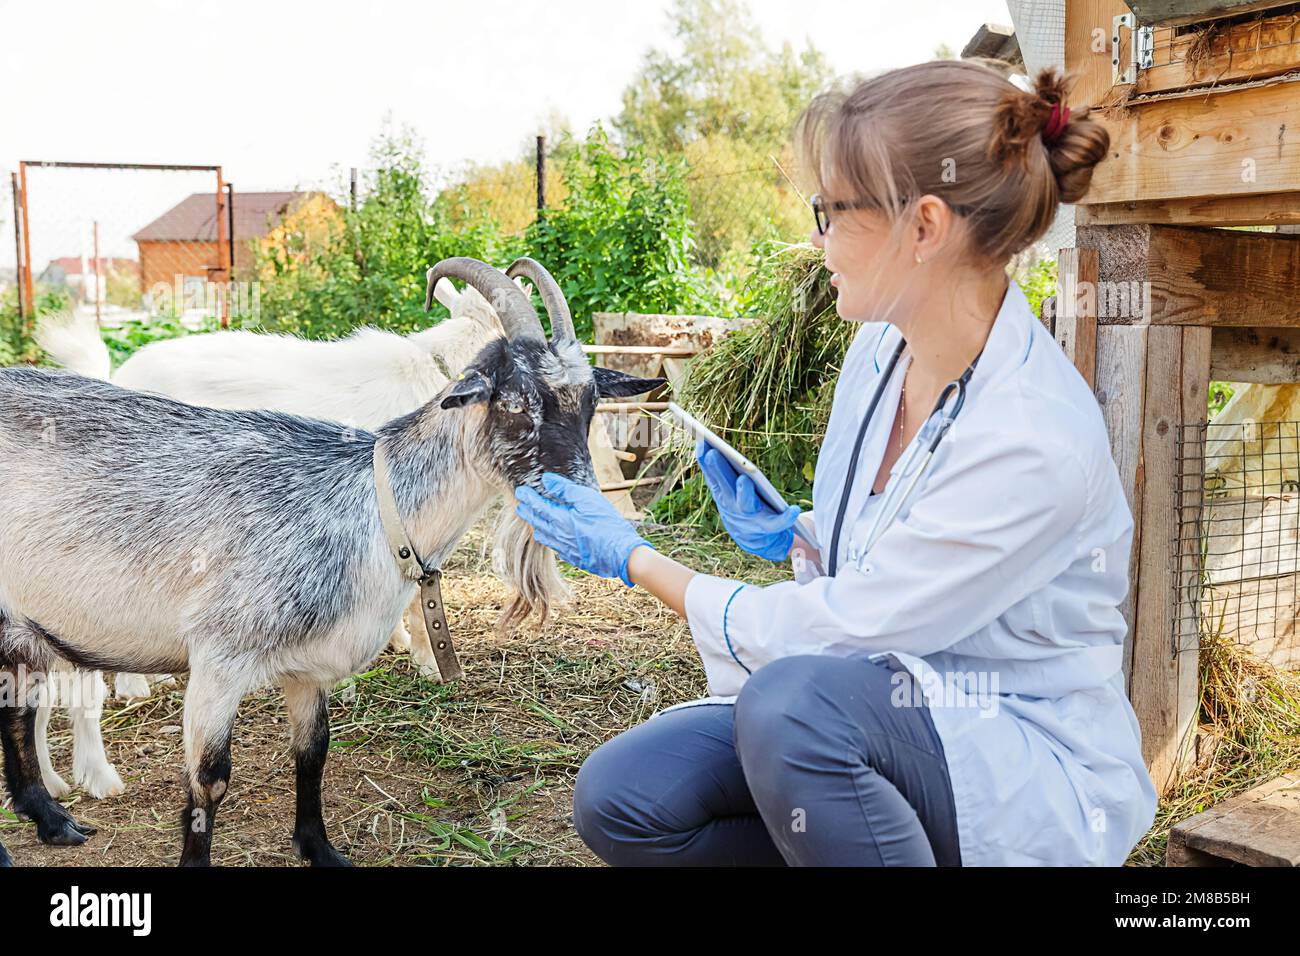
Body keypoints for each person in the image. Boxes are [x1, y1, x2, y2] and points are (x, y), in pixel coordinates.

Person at [512, 59, 1158, 867]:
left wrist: (635, 558)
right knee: (625, 795)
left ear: (923, 227)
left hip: (1014, 755)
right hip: (878, 712)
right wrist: (797, 537)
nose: (816, 239)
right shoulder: (881, 350)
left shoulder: (1033, 436)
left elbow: (849, 631)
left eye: (832, 210)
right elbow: (901, 569)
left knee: (793, 710)